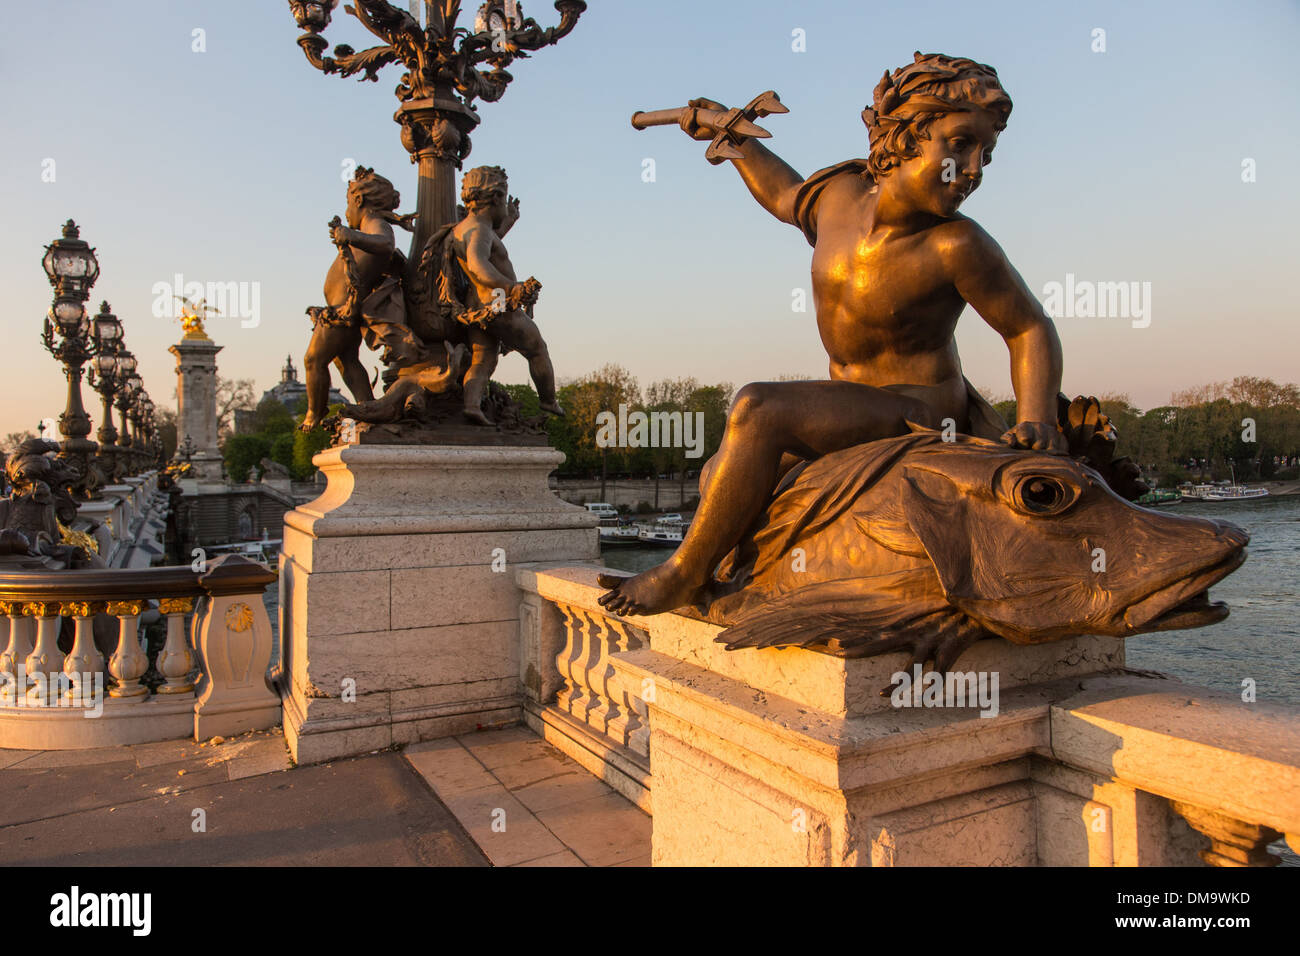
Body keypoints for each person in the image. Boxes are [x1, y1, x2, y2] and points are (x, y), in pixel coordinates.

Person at [599, 52, 1067, 616]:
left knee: (758, 408)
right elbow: (784, 195)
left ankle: (682, 574)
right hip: (852, 405)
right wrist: (735, 138)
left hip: (917, 410)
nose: (974, 169)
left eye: (985, 154)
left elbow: (1028, 327)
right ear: (907, 138)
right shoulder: (839, 196)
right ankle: (756, 579)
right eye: (961, 144)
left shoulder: (958, 245)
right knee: (716, 480)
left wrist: (1036, 419)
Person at [301, 167, 427, 431]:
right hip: (342, 310)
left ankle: (315, 411)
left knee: (313, 360)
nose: (347, 212)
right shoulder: (368, 225)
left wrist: (350, 235)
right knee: (347, 361)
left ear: (359, 201)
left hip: (341, 312)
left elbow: (385, 244)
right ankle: (367, 407)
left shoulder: (374, 224)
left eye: (348, 204)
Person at [448, 166, 564, 424]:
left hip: (476, 307)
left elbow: (488, 246)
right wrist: (512, 287)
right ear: (497, 197)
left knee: (483, 359)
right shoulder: (479, 230)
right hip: (498, 302)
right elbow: (478, 265)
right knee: (536, 348)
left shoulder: (467, 228)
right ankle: (548, 399)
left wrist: (508, 223)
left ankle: (472, 404)